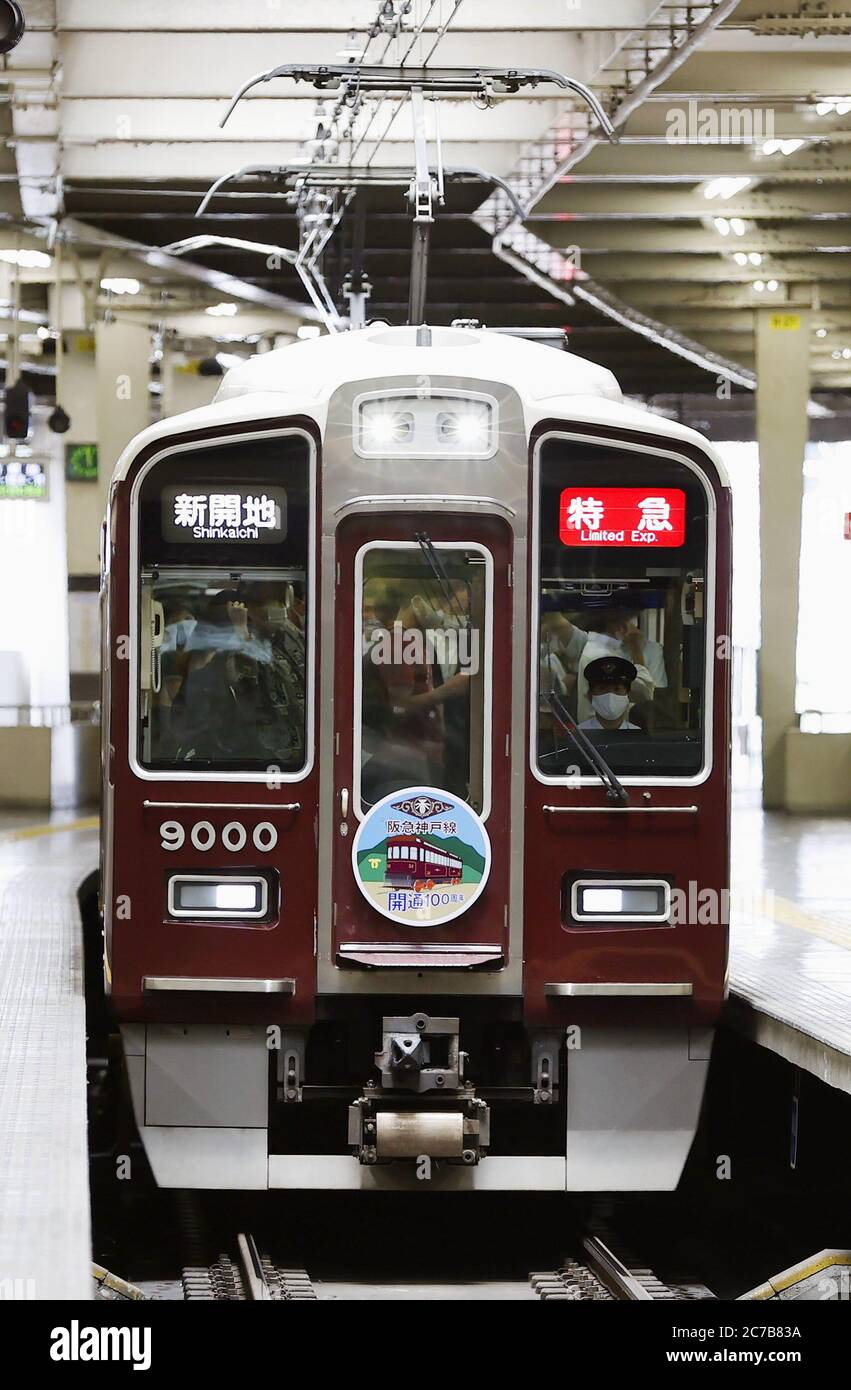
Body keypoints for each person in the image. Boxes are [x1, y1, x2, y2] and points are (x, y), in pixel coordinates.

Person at [578, 655, 641, 731]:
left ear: (628, 696)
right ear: (590, 696)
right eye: (602, 689)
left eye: (617, 689)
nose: (610, 695)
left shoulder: (638, 736)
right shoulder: (578, 735)